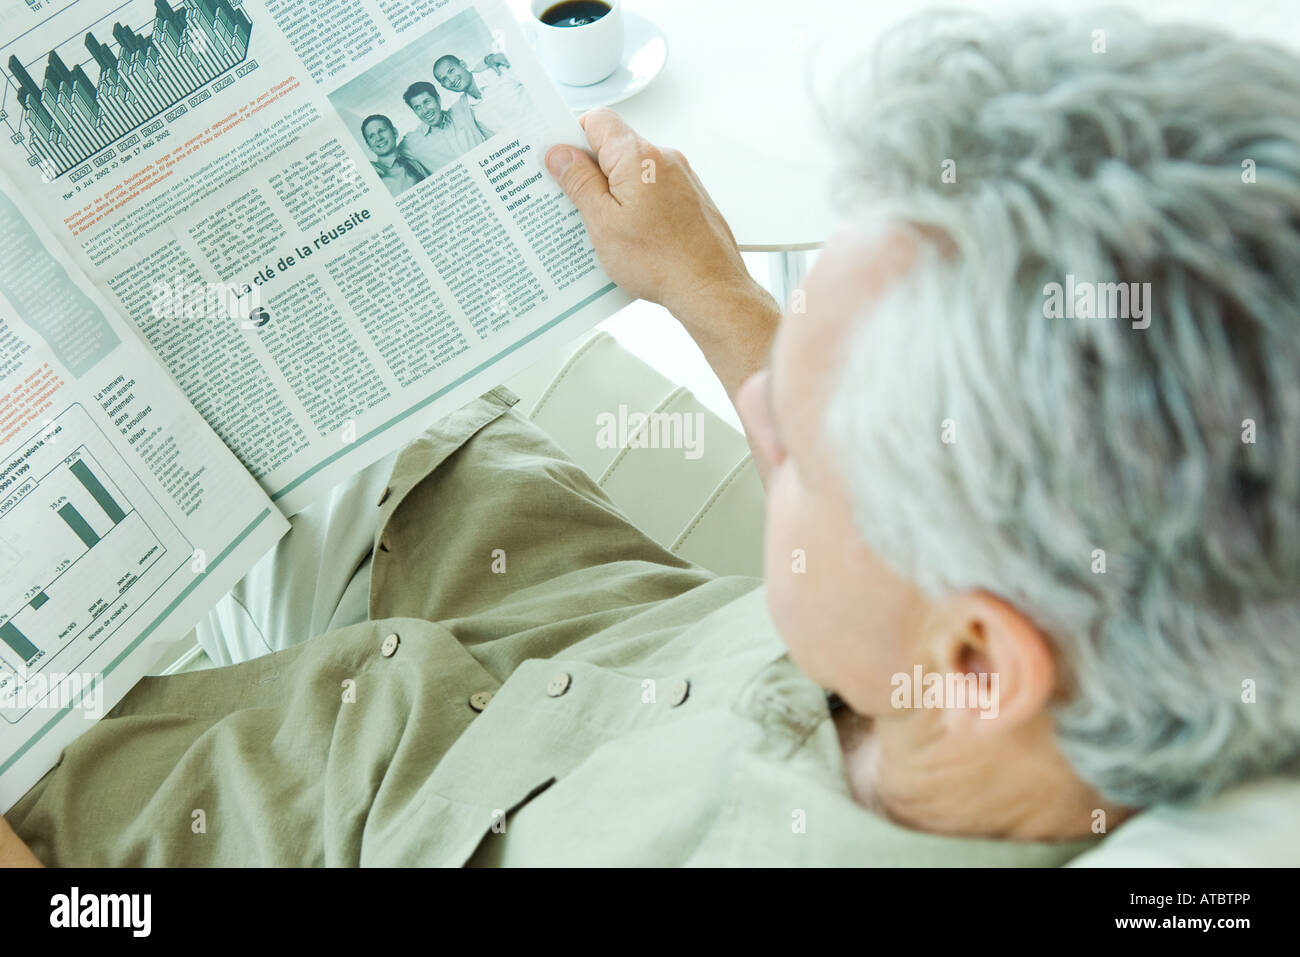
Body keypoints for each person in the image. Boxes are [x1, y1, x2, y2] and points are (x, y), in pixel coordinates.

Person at [3, 10, 1298, 866]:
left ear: (969, 661)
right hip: (559, 610)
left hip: (336, 804)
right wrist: (711, 288)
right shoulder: (1039, 637)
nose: (759, 402)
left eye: (789, 433)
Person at [397, 80, 485, 174]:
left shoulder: (461, 109)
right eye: (418, 107)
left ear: (438, 99)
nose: (425, 111)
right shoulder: (411, 142)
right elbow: (389, 158)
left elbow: (474, 83)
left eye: (427, 102)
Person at [433, 53, 531, 138]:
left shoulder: (497, 71)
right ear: (444, 87)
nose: (451, 80)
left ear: (463, 64)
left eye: (451, 71)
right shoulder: (471, 113)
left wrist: (491, 58)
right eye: (444, 79)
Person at [362, 114, 429, 197]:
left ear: (395, 132)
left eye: (381, 131)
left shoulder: (413, 160)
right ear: (369, 145)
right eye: (371, 136)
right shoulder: (371, 175)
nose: (378, 138)